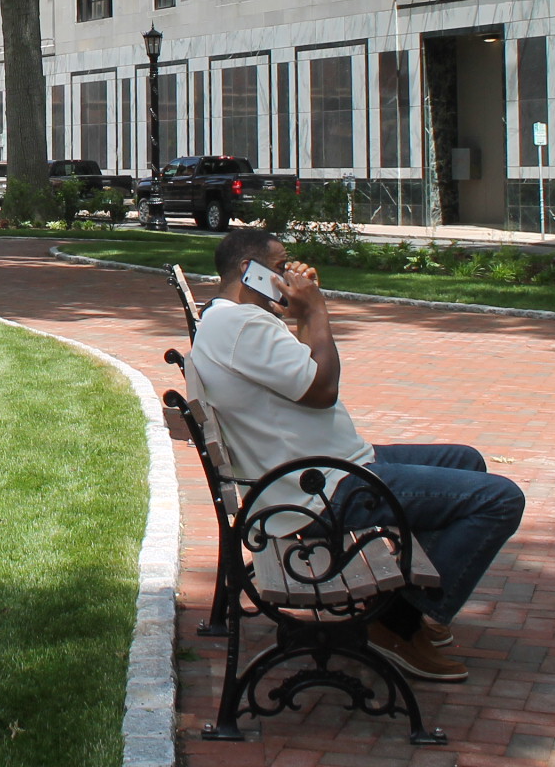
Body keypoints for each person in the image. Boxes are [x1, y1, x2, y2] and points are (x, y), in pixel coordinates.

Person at [186, 227, 524, 684]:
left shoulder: (232, 321)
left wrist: (302, 310)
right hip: (319, 490)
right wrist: (317, 309)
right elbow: (322, 389)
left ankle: (407, 598)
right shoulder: (242, 325)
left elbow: (304, 366)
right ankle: (398, 622)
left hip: (320, 470)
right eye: (282, 265)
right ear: (252, 271)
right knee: (500, 498)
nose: (290, 273)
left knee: (464, 460)